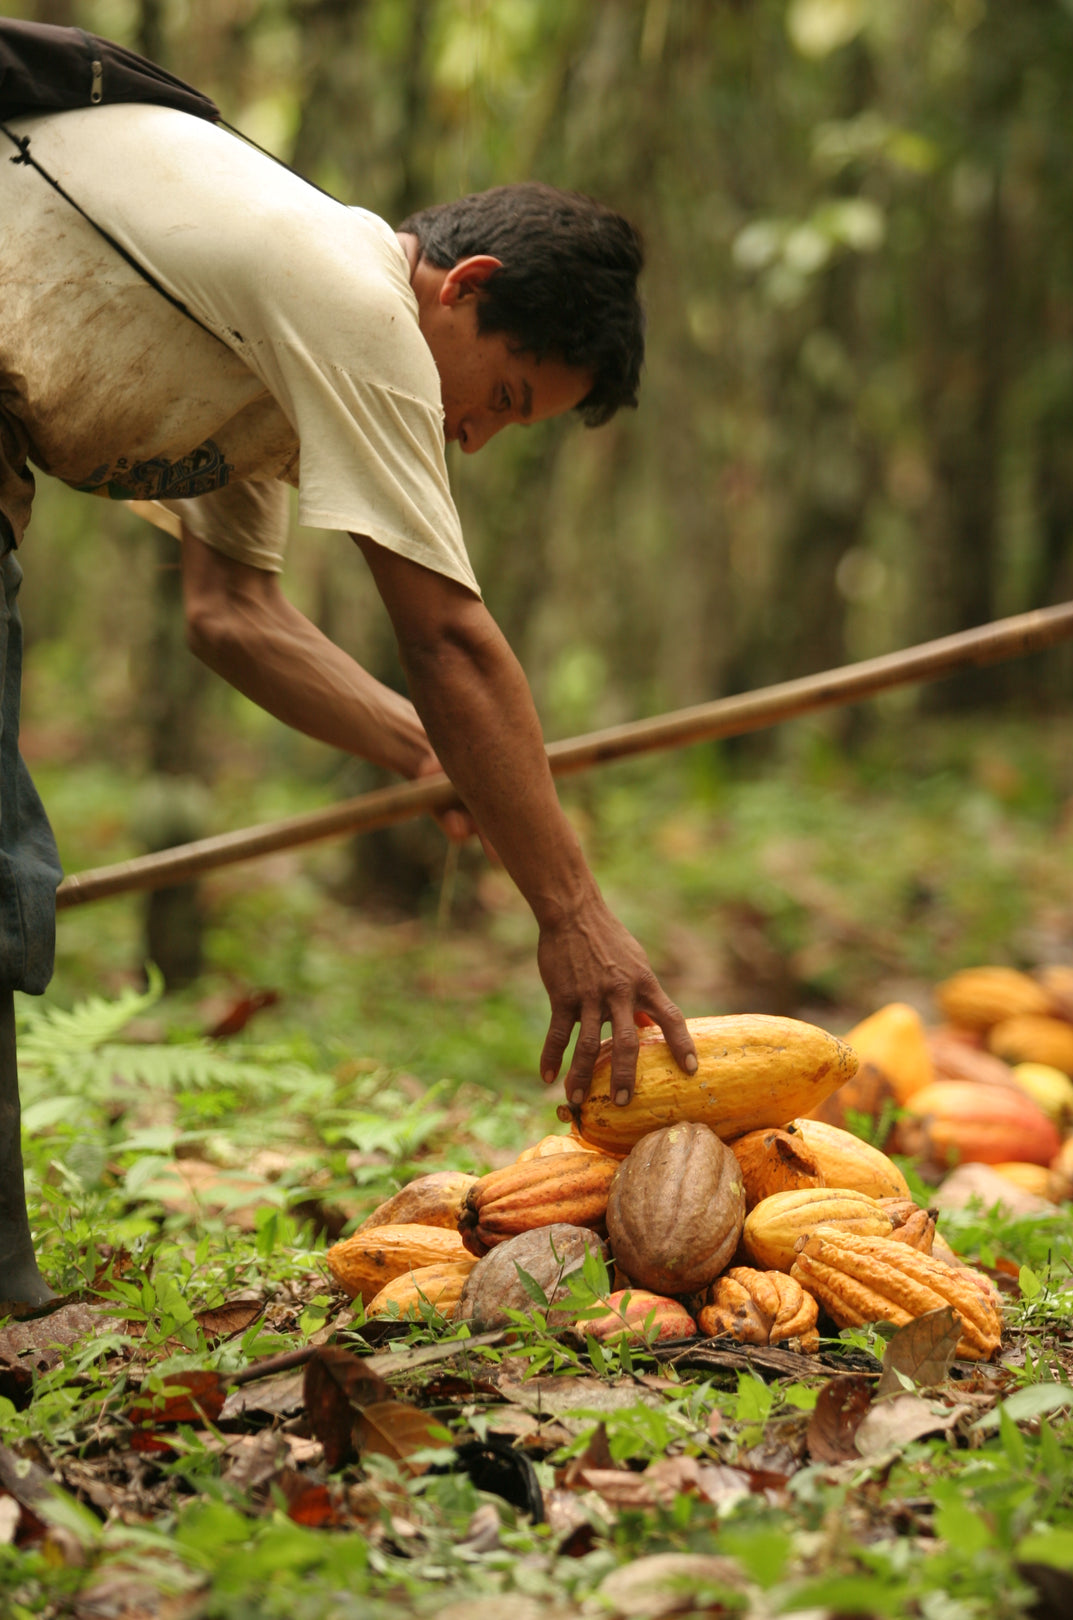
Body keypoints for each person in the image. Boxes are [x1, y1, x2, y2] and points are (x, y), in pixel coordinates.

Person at [0, 99, 697, 1307]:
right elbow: (447, 637)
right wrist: (573, 913)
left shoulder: (276, 348)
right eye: (506, 394)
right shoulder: (353, 297)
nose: (475, 438)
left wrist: (437, 760)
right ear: (463, 286)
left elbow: (234, 615)